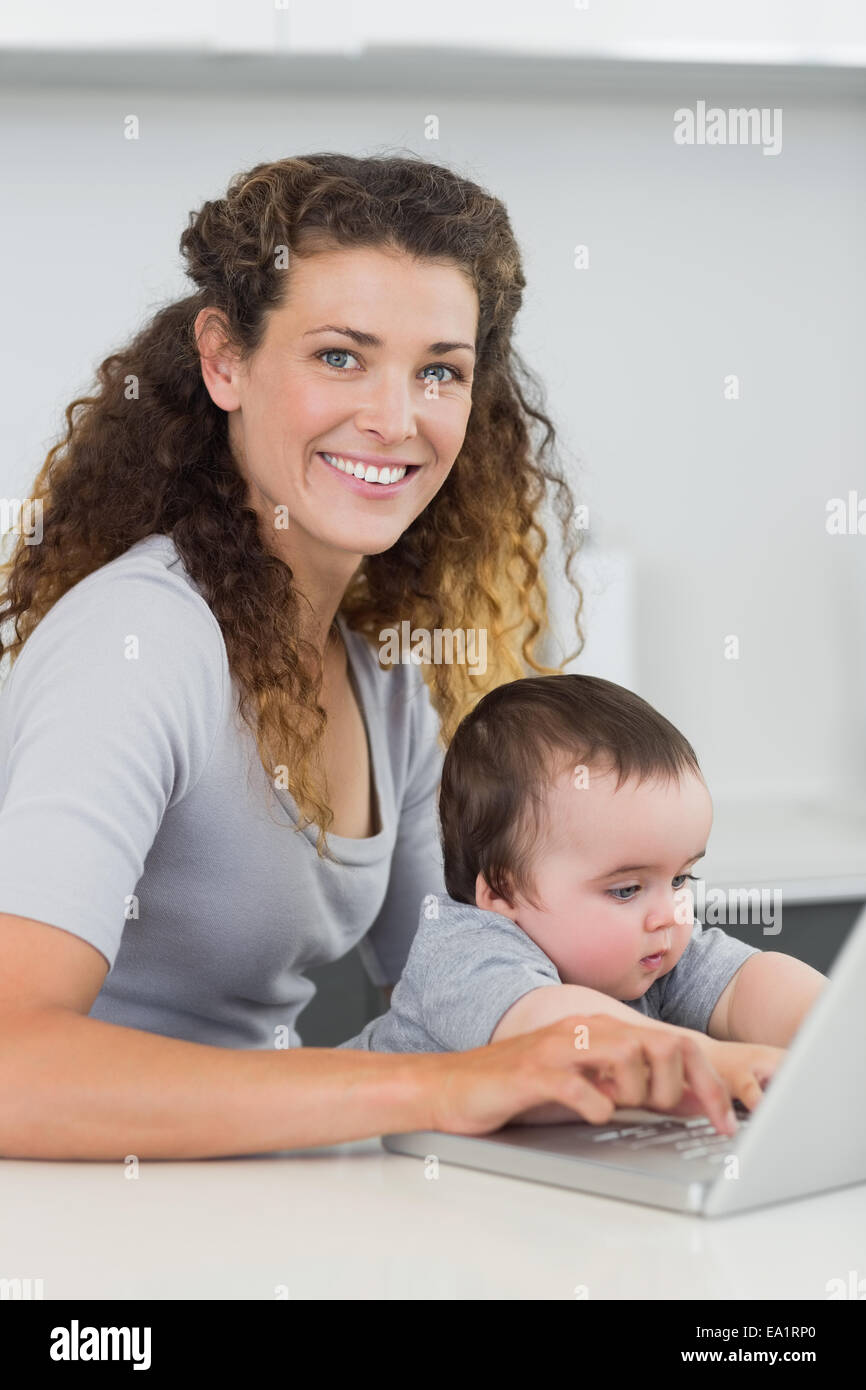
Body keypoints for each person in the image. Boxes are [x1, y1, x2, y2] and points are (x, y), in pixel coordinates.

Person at [0, 152, 737, 1161]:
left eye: (438, 370)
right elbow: (12, 1068)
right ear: (224, 360)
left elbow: (465, 967)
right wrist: (445, 1084)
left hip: (258, 1194)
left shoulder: (380, 670)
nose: (396, 418)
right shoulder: (138, 646)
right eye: (340, 356)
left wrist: (717, 1023)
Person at [338, 673, 827, 1121]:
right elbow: (558, 1030)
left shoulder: (650, 952)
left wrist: (831, 1032)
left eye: (681, 880)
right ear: (504, 891)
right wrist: (709, 1060)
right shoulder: (462, 953)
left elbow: (746, 985)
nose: (669, 914)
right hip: (326, 1173)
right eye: (626, 889)